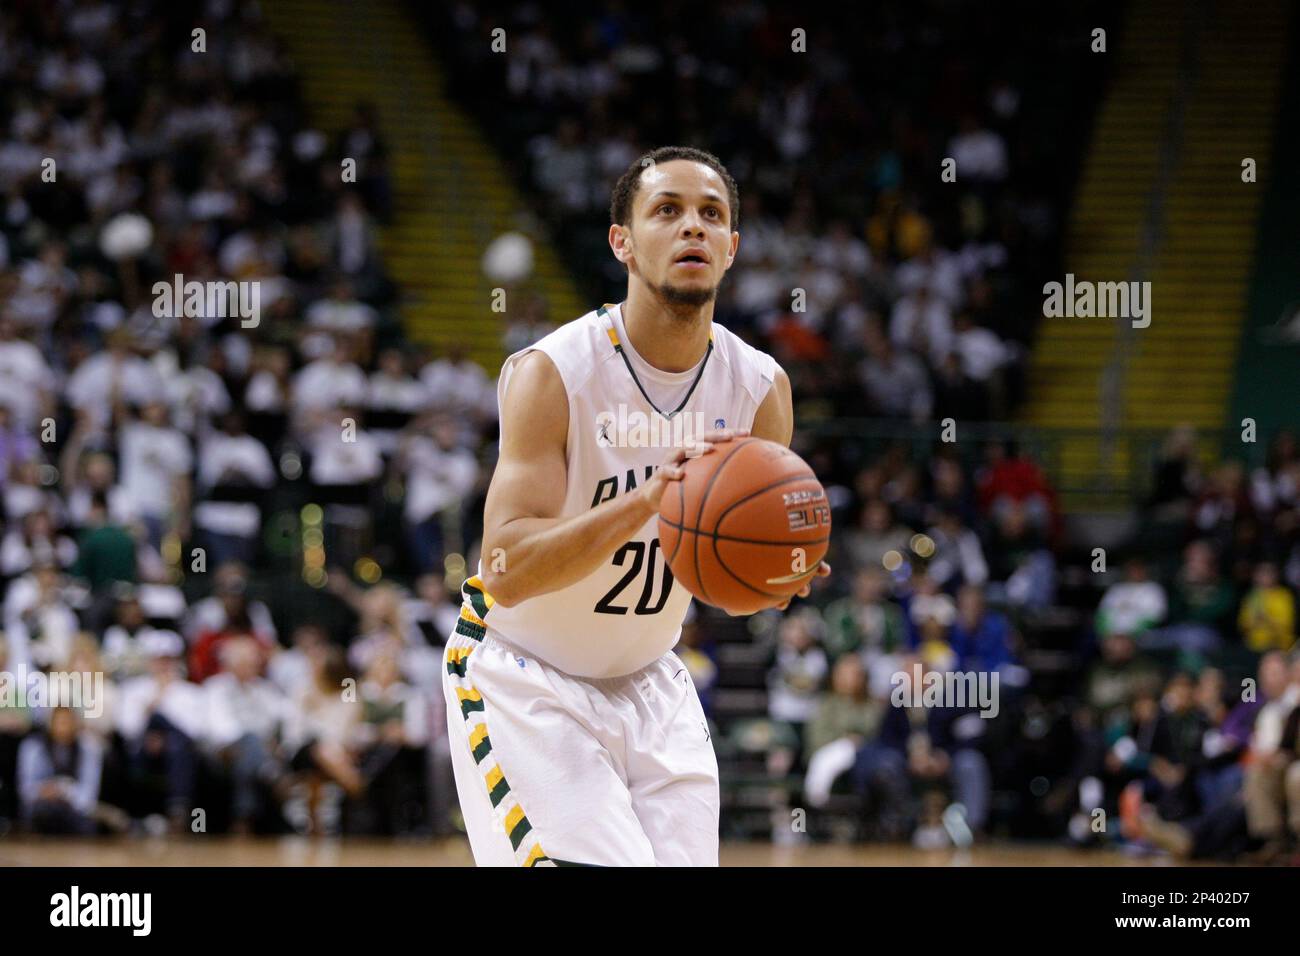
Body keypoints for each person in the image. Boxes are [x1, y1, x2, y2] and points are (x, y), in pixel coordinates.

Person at [441, 147, 829, 867]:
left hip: (654, 683)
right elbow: (503, 569)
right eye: (668, 211)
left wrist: (774, 574)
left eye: (712, 215)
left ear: (733, 248)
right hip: (526, 678)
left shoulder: (760, 388)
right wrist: (647, 502)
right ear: (622, 241)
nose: (693, 229)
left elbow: (725, 585)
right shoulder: (553, 373)